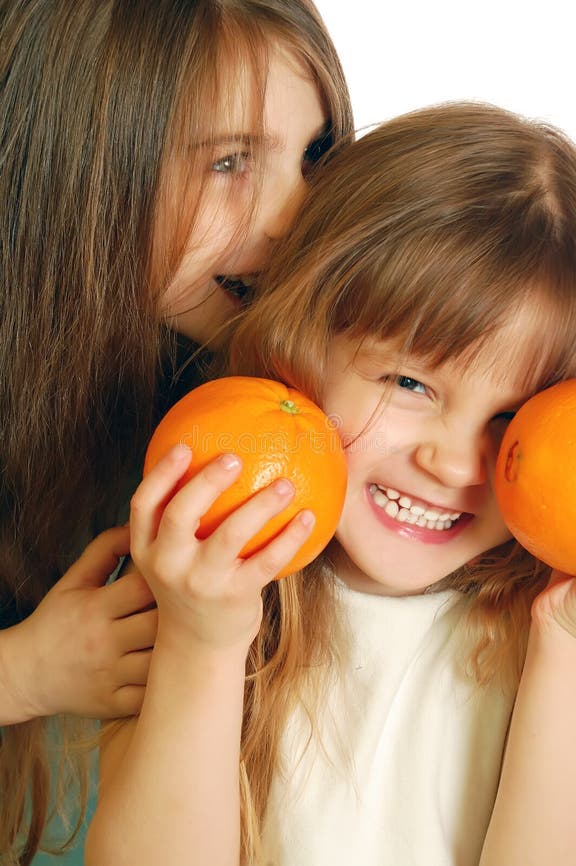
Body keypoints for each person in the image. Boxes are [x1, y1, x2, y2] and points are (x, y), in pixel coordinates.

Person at [86, 100, 576, 866]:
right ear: (302, 347)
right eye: (410, 384)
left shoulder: (542, 630)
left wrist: (565, 653)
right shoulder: (205, 587)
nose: (454, 464)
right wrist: (203, 642)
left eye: (508, 419)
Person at [0, 1, 353, 863]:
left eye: (315, 155)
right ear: (73, 173)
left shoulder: (262, 385)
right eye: (229, 161)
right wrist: (24, 671)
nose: (295, 216)